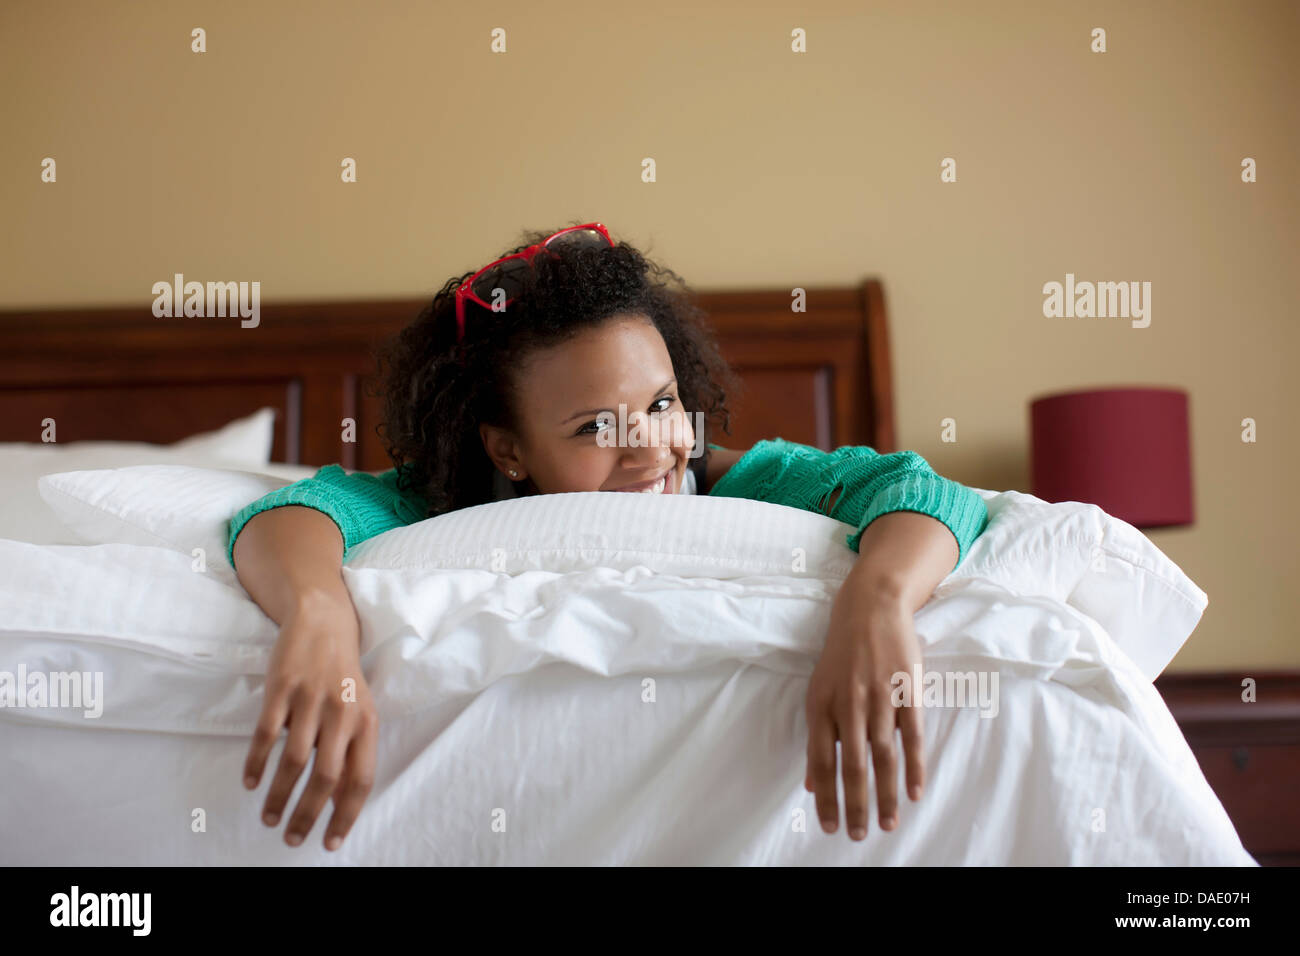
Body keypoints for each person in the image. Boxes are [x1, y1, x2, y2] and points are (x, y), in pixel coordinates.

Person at [227, 221, 990, 854]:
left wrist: (878, 600)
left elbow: (920, 492)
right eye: (595, 425)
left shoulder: (741, 478)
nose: (652, 448)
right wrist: (318, 614)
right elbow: (298, 511)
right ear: (508, 450)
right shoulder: (443, 503)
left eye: (661, 404)